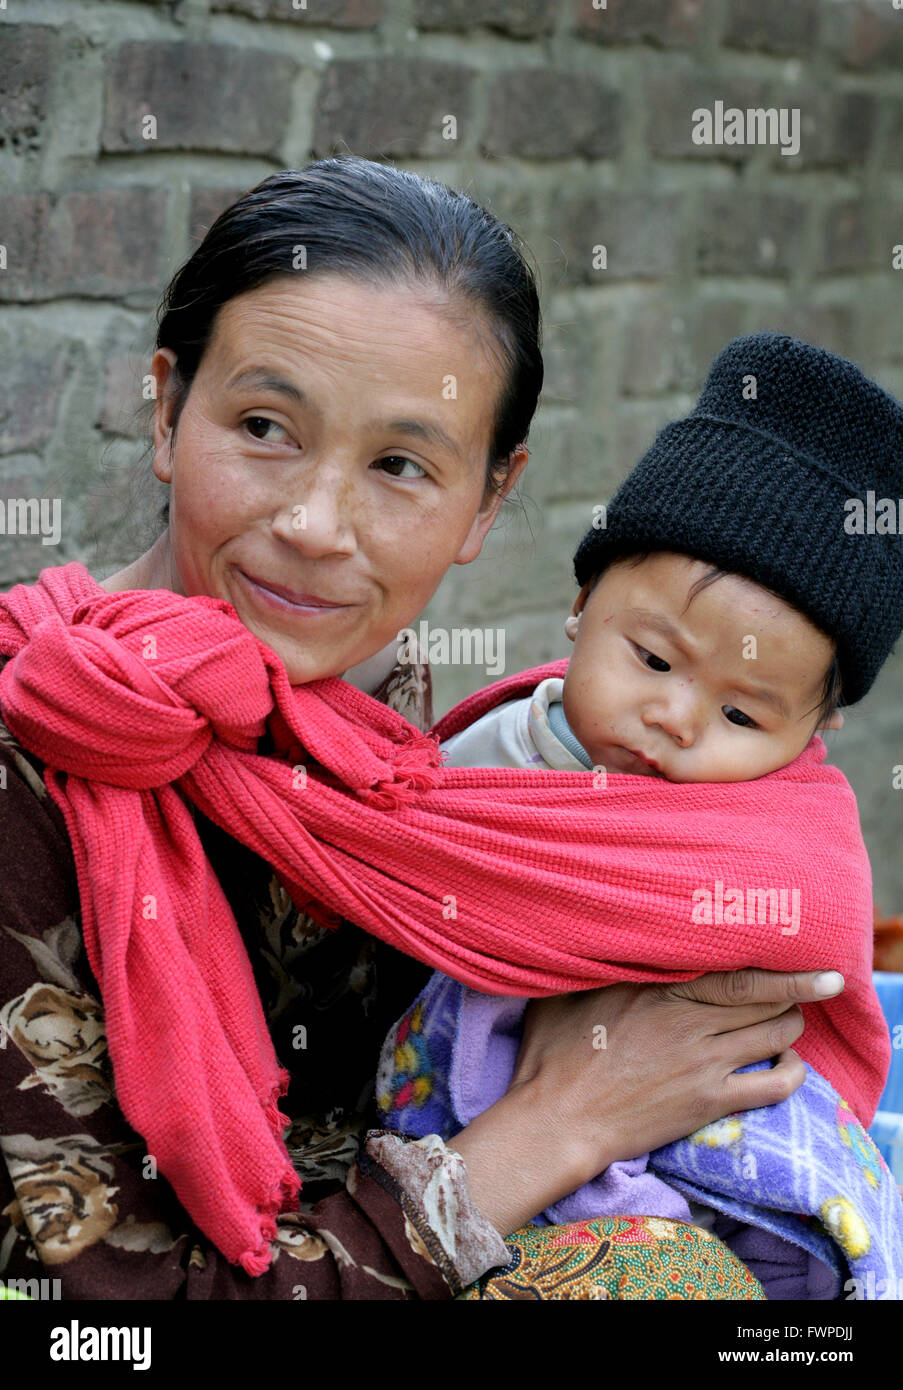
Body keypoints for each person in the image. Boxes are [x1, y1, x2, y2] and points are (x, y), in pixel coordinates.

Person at [0, 159, 838, 1301]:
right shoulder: (30, 756)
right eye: (262, 425)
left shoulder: (367, 701)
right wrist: (565, 1118)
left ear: (488, 502)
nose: (313, 525)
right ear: (165, 408)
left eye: (401, 465)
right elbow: (92, 1321)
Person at [378, 333, 903, 1298]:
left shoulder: (784, 834)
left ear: (810, 732)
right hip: (493, 1133)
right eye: (653, 661)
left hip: (705, 1116)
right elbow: (402, 862)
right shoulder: (487, 755)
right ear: (582, 604)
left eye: (741, 714)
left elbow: (810, 936)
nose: (674, 716)